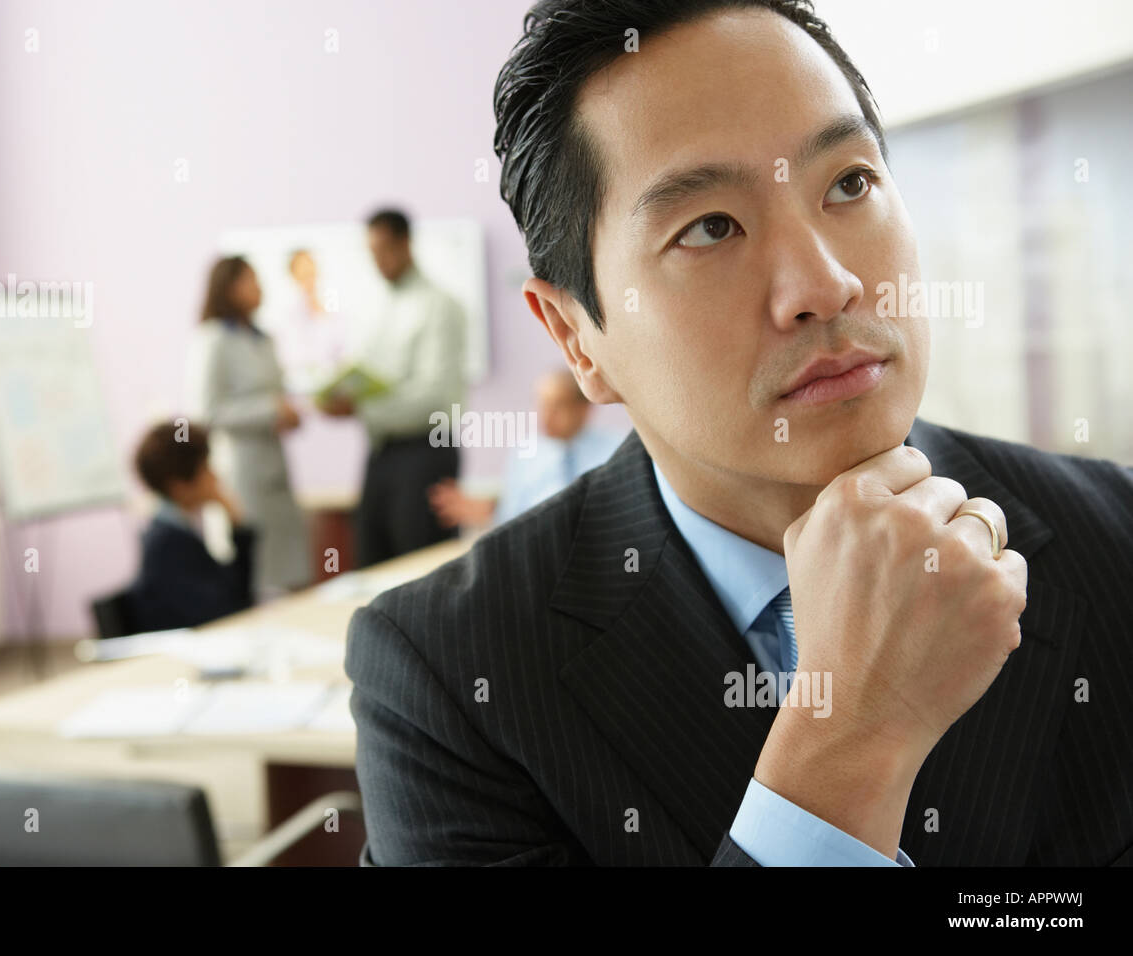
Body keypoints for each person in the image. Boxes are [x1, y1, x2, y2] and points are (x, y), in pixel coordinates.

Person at [345, 0, 1133, 867]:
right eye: (710, 227)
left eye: (850, 183)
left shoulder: (1115, 535)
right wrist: (849, 744)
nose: (824, 286)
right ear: (577, 337)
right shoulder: (451, 676)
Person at [317, 209, 468, 567]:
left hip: (426, 449)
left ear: (406, 244)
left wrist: (361, 408)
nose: (378, 260)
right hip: (380, 451)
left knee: (420, 567)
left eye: (384, 249)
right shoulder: (374, 307)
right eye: (371, 252)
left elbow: (436, 397)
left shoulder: (440, 306)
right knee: (370, 562)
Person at [187, 255, 312, 597]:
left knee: (290, 569)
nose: (259, 288)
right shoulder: (212, 340)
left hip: (275, 465)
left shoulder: (263, 338)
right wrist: (268, 411)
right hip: (240, 470)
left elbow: (276, 395)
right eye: (251, 281)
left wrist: (288, 413)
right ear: (228, 288)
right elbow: (206, 413)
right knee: (254, 571)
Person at [427, 368, 625, 528]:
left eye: (558, 406)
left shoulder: (615, 450)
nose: (546, 416)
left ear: (584, 408)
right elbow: (512, 517)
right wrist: (489, 512)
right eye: (542, 405)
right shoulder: (526, 453)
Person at [129, 421, 254, 632]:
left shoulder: (179, 529)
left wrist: (236, 524)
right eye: (206, 468)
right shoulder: (167, 543)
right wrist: (237, 526)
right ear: (179, 486)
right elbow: (228, 609)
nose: (215, 476)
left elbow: (234, 598)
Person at [270, 248, 351, 395]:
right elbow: (291, 360)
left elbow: (343, 350)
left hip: (335, 390)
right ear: (293, 276)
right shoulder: (287, 316)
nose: (309, 279)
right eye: (303, 274)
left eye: (311, 273)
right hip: (303, 390)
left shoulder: (333, 309)